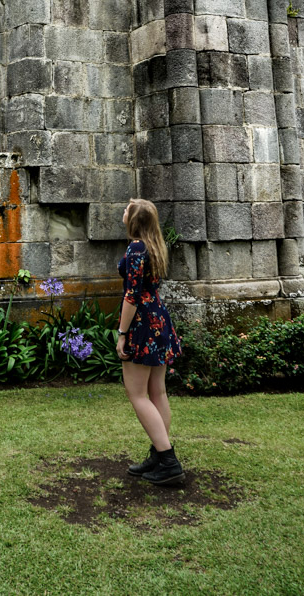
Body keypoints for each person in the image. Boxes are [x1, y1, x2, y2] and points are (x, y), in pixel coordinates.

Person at [116, 198, 184, 485]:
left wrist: (122, 334)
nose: (123, 211)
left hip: (142, 323)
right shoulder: (155, 245)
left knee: (138, 394)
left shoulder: (135, 248)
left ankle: (168, 460)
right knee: (158, 392)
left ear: (133, 219)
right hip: (158, 318)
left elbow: (131, 295)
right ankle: (159, 453)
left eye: (127, 209)